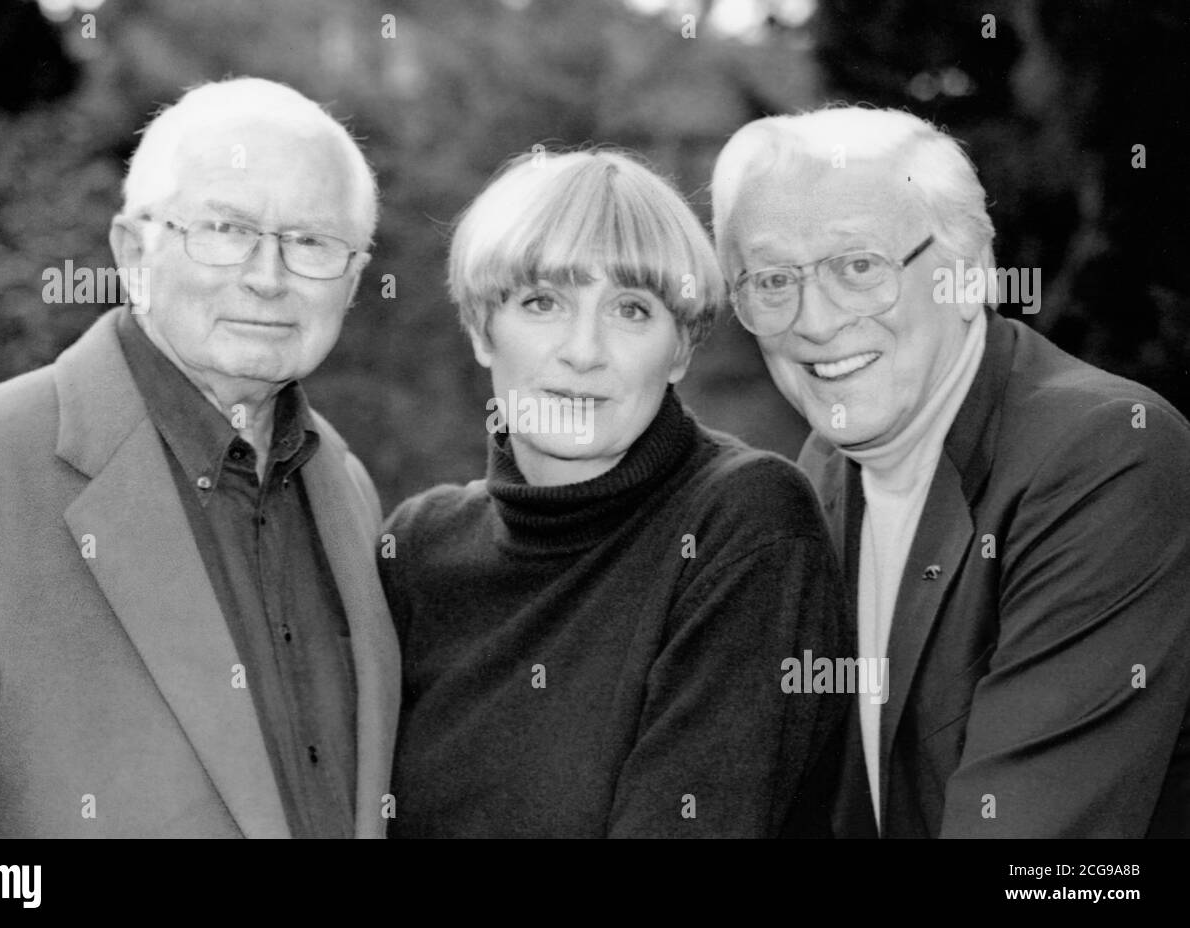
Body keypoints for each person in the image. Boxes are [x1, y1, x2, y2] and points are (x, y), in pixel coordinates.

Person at [0, 77, 399, 838]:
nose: (267, 276)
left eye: (311, 242)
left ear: (354, 280)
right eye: (226, 229)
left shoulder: (347, 490)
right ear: (133, 250)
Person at [711, 105, 1190, 837]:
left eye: (859, 266)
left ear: (967, 274)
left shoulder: (1107, 455)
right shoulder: (822, 474)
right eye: (772, 280)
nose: (812, 321)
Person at [380, 149, 849, 838]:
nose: (584, 350)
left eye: (631, 309)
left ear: (681, 350)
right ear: (483, 330)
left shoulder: (745, 522)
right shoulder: (419, 548)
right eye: (543, 302)